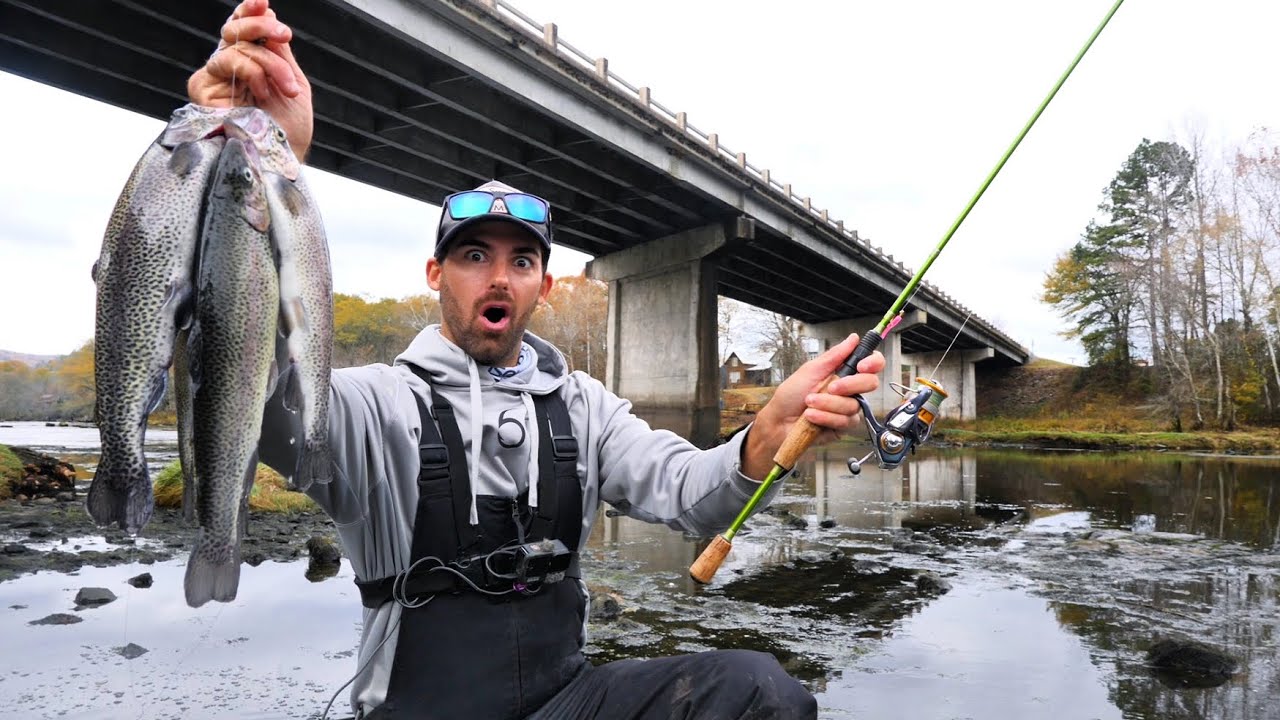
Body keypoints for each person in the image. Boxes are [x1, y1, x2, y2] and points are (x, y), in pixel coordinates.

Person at [189, 2, 886, 718]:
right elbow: (238, 382)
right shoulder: (371, 405)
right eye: (473, 256)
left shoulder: (584, 406)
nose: (498, 277)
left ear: (543, 287)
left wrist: (766, 435)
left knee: (760, 692)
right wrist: (255, 166)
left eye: (521, 260)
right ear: (436, 275)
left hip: (566, 702)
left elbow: (686, 491)